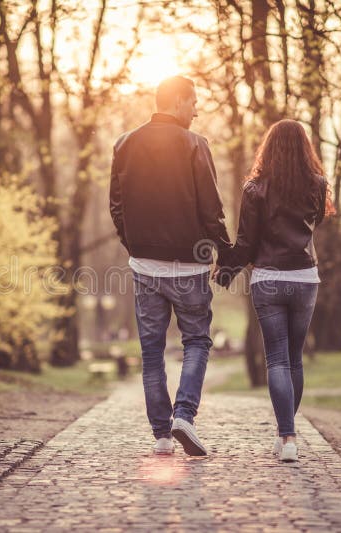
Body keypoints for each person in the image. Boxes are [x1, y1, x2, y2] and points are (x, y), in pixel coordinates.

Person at [109, 76, 231, 456]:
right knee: (196, 341)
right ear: (177, 101)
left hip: (145, 267)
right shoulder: (195, 145)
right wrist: (226, 253)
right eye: (193, 101)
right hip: (190, 267)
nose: (196, 110)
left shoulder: (125, 144)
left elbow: (116, 206)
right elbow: (211, 211)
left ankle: (162, 435)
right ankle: (184, 416)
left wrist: (136, 245)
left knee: (151, 352)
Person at [214, 119, 334, 462]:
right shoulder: (318, 185)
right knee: (294, 360)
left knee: (277, 360)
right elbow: (315, 225)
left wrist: (226, 269)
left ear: (268, 148)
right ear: (304, 147)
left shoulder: (255, 189)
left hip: (268, 278)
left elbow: (247, 243)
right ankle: (288, 436)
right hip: (305, 278)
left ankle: (287, 435)